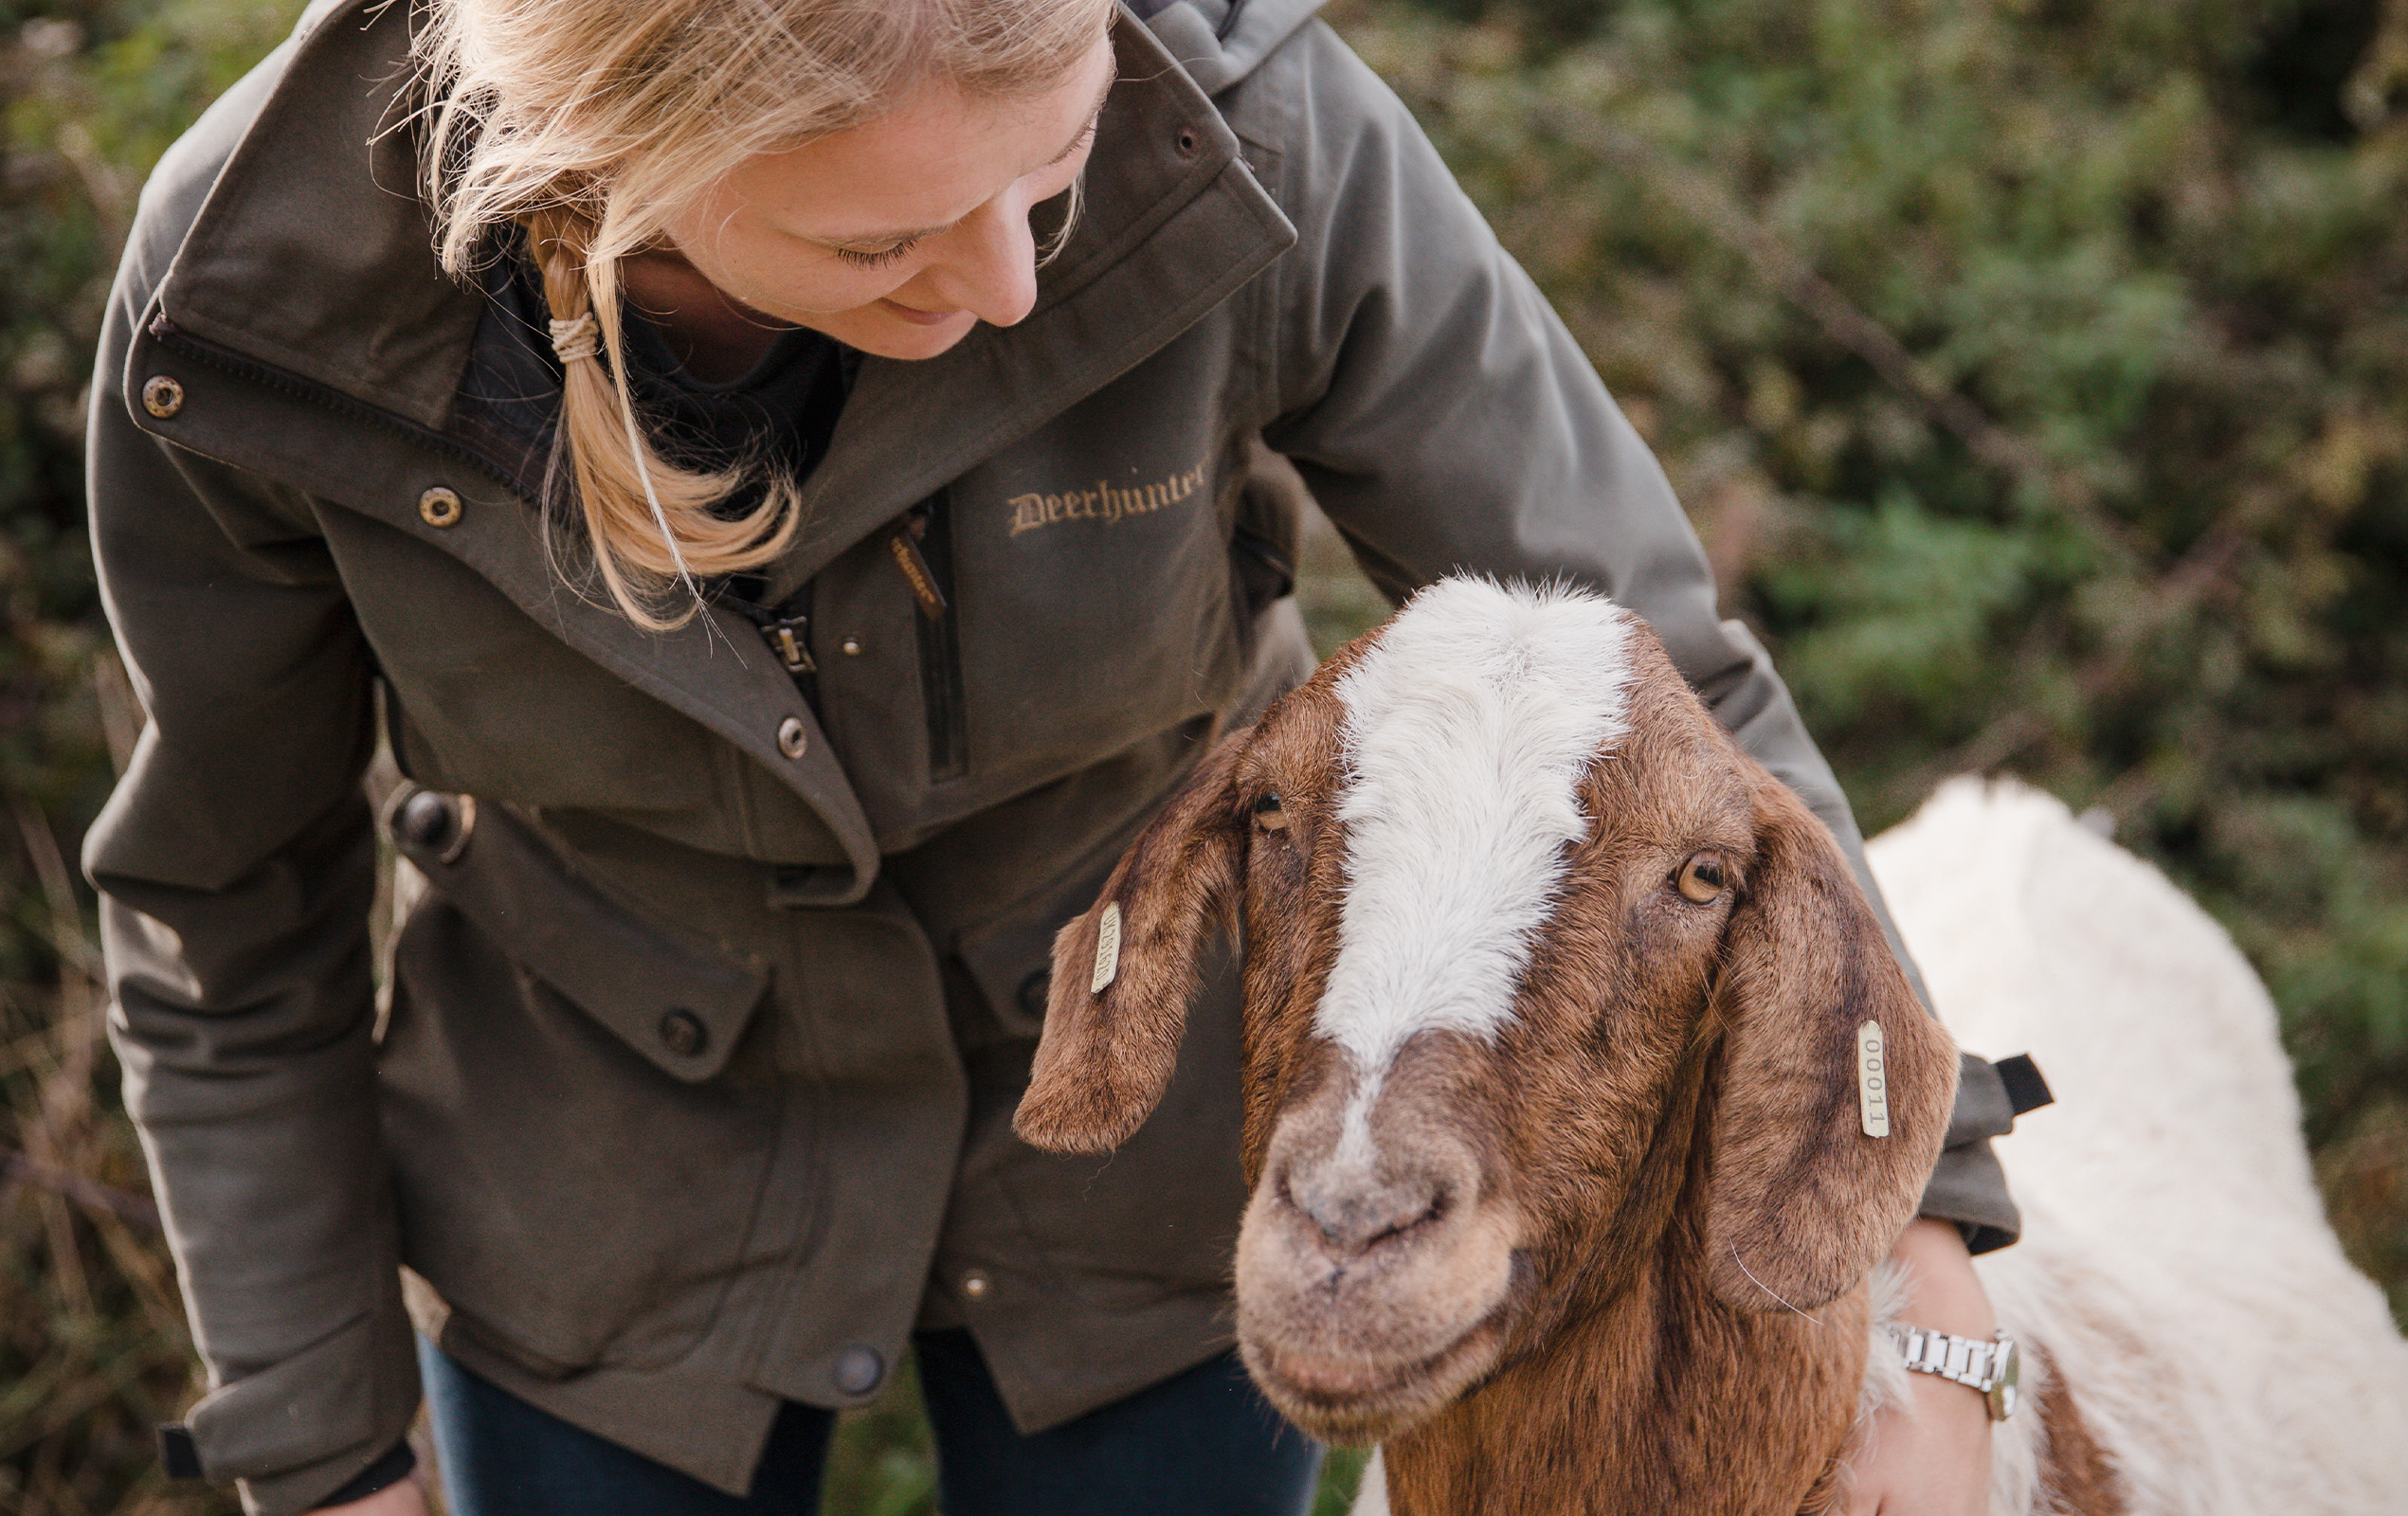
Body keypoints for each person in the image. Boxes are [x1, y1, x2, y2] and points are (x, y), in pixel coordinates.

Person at [83, 0, 2029, 1512]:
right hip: (581, 1179)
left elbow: (1664, 693)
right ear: (615, 166)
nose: (1015, 289)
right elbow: (220, 908)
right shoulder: (261, 304)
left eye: (1054, 178)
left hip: (1152, 1164)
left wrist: (1923, 1268)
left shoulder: (1244, 122)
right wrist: (325, 1446)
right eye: (891, 235)